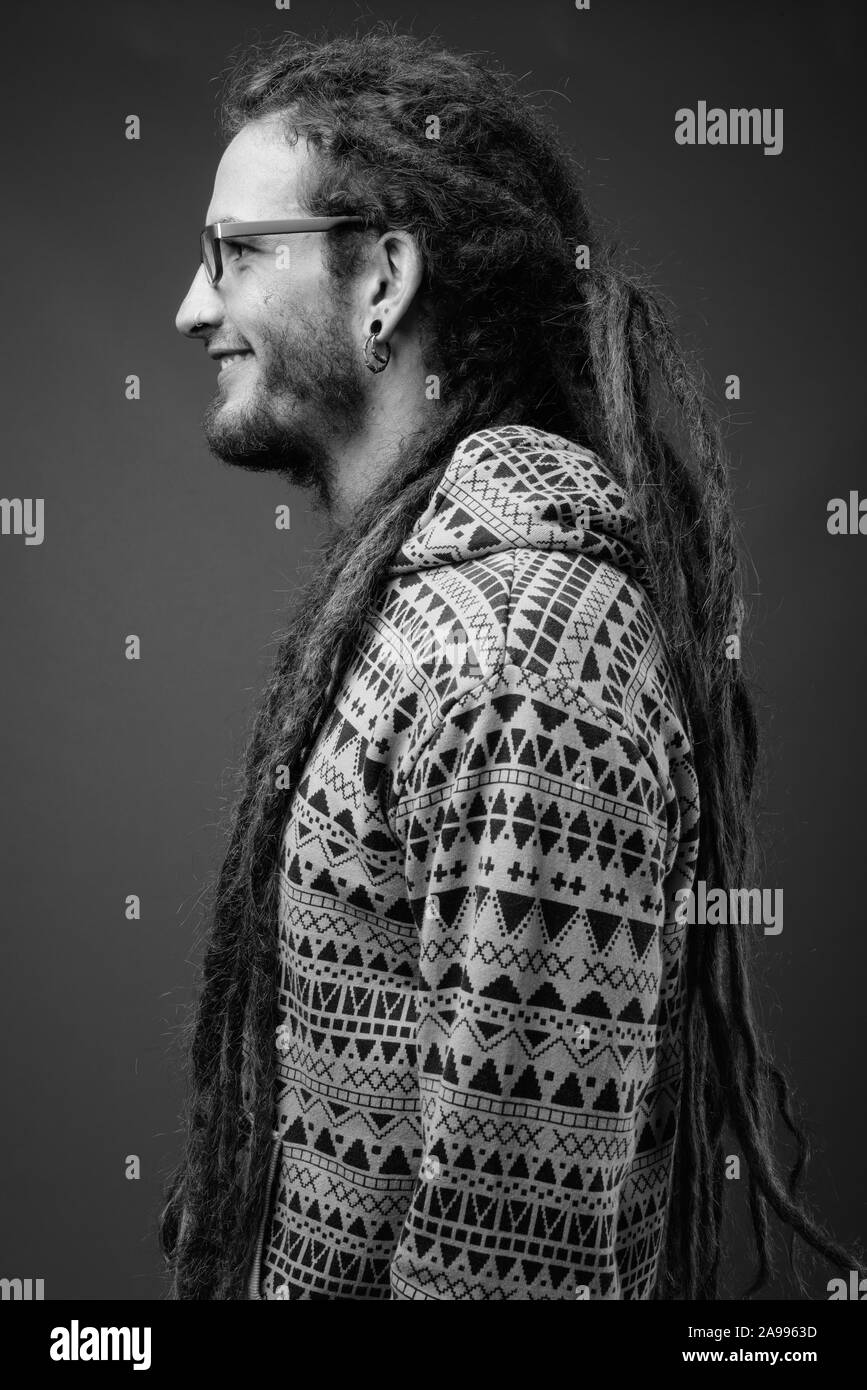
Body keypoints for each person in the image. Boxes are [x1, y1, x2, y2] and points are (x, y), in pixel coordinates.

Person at [160, 25, 861, 1299]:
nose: (193, 305)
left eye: (234, 254)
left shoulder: (519, 663)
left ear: (383, 279)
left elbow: (506, 1273)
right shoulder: (428, 602)